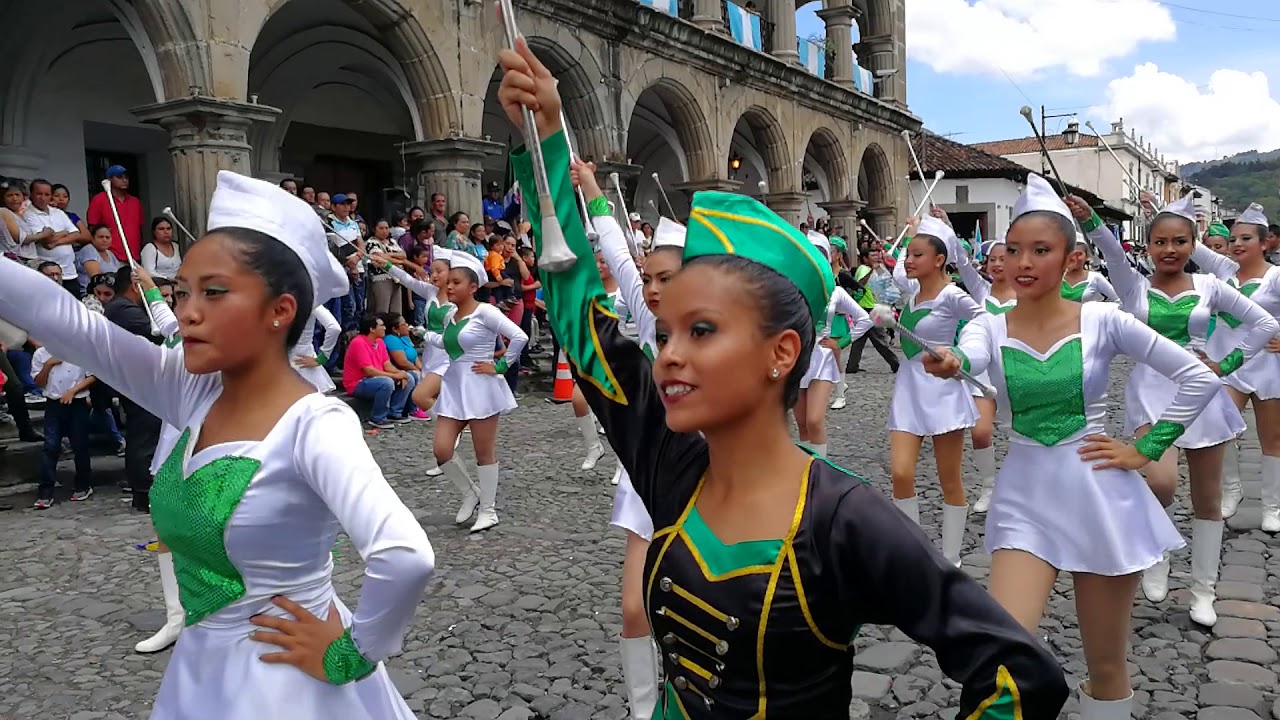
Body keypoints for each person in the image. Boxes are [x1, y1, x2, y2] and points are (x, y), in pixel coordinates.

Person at [500, 38, 1068, 719]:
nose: (669, 355)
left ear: (782, 352)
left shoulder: (843, 520)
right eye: (670, 331)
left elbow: (1018, 674)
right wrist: (546, 140)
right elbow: (577, 310)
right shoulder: (666, 459)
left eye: (701, 330)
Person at [0, 170, 434, 718]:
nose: (187, 310)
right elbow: (63, 320)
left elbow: (405, 556)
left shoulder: (314, 423)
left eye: (213, 292)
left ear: (280, 311)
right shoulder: (189, 389)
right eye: (182, 292)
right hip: (201, 673)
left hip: (285, 683)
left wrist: (353, 653)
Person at [925, 174, 1215, 719]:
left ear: (1069, 258)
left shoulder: (1102, 319)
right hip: (1024, 497)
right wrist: (953, 364)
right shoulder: (989, 327)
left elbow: (1198, 379)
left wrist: (1145, 448)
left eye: (1041, 250)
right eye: (1014, 250)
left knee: (1106, 667)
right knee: (1003, 657)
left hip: (1099, 495)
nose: (1025, 262)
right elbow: (968, 355)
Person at [1083, 192, 1278, 628]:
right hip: (1151, 392)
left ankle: (1203, 592)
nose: (1169, 250)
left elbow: (1265, 323)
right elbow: (1113, 252)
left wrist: (1226, 364)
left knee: (1207, 500)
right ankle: (1157, 556)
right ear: (1148, 246)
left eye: (1179, 242)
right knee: (1162, 482)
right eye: (1160, 242)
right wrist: (1092, 219)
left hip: (1203, 395)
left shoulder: (1210, 286)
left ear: (1193, 246)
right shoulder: (1134, 288)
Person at [887, 214, 985, 566]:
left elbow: (983, 319)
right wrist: (914, 233)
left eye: (917, 255)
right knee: (900, 472)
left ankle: (951, 558)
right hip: (909, 388)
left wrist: (961, 351)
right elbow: (899, 270)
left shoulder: (952, 295)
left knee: (949, 478)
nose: (908, 260)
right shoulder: (912, 290)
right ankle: (914, 555)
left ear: (939, 260)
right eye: (908, 255)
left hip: (943, 388)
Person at [430, 248, 527, 533]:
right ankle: (470, 492)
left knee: (483, 452)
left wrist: (500, 366)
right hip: (453, 386)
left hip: (481, 387)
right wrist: (423, 334)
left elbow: (519, 336)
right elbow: (448, 345)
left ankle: (489, 509)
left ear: (473, 287)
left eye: (456, 282)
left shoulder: (485, 312)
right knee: (442, 450)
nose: (449, 286)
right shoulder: (450, 316)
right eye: (448, 282)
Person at [103, 267, 163, 512]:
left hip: (141, 379)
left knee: (147, 434)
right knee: (143, 436)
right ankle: (143, 491)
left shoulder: (122, 308)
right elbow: (156, 332)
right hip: (138, 382)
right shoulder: (122, 309)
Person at [31, 338, 98, 508]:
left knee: (79, 444)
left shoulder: (79, 349)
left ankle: (83, 484)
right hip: (53, 403)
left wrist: (73, 391)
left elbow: (92, 376)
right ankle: (46, 490)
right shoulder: (41, 354)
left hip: (77, 401)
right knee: (50, 446)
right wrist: (48, 365)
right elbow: (38, 381)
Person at [343, 313, 416, 429]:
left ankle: (395, 412)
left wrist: (399, 374)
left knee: (409, 376)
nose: (384, 328)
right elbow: (369, 371)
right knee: (386, 382)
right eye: (381, 326)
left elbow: (387, 364)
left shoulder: (380, 342)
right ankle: (377, 418)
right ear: (372, 329)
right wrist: (394, 376)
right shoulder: (358, 343)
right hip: (358, 383)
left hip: (375, 378)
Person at [21, 179, 83, 295]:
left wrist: (55, 242)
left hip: (70, 272)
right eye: (39, 194)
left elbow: (76, 234)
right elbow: (45, 239)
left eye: (47, 194)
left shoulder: (58, 212)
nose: (43, 198)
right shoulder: (28, 215)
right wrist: (64, 232)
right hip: (48, 274)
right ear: (31, 195)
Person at [86, 165, 144, 262]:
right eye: (119, 177)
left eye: (126, 177)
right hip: (110, 256)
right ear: (109, 179)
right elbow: (92, 228)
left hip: (133, 255)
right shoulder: (99, 200)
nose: (124, 180)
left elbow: (140, 228)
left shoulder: (135, 202)